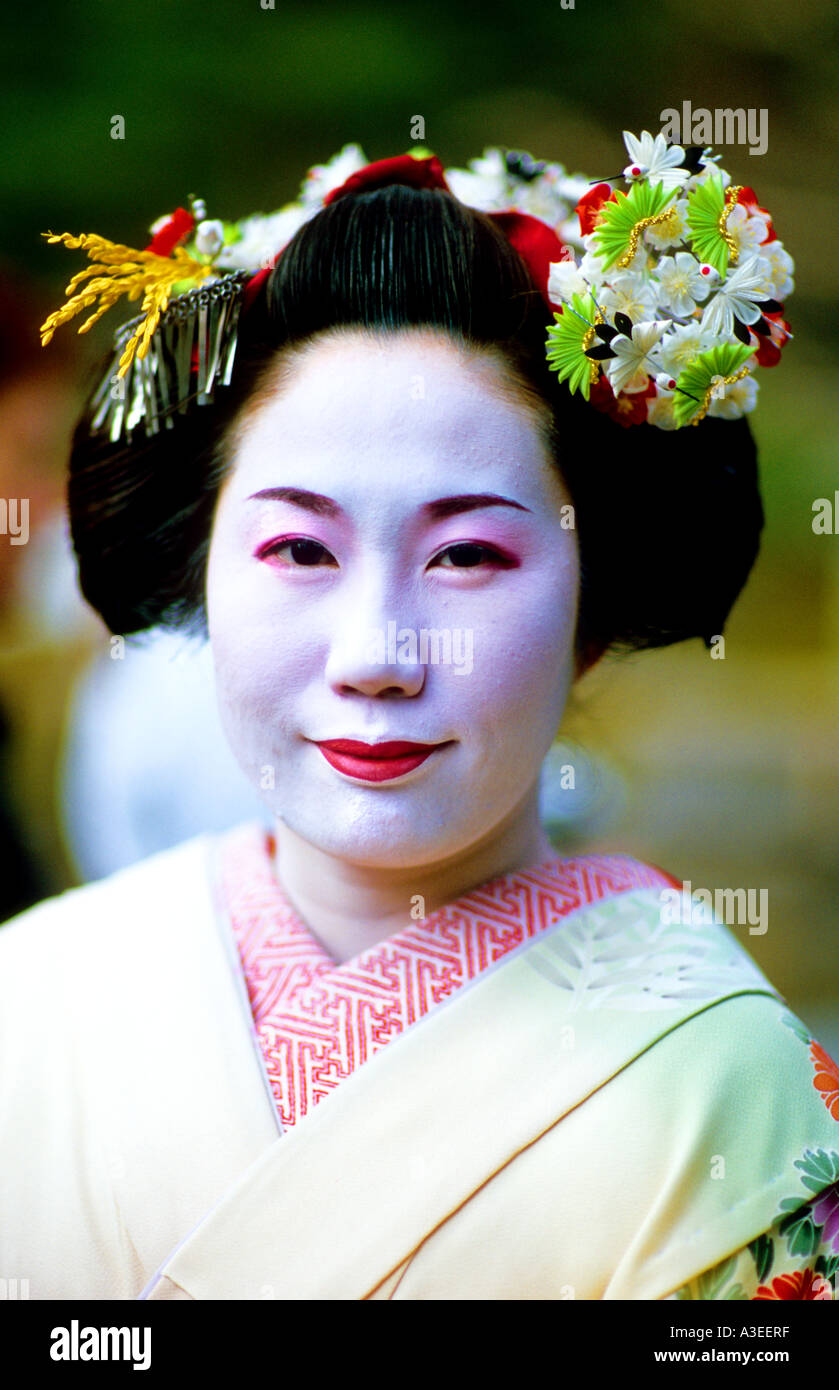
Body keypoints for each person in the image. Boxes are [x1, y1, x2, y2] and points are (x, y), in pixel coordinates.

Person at [0, 137, 836, 1302]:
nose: (378, 656)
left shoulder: (719, 1074)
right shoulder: (34, 993)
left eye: (467, 554)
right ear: (201, 576)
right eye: (298, 548)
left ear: (593, 603)